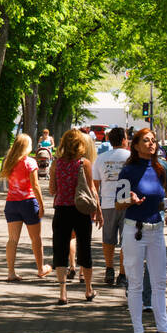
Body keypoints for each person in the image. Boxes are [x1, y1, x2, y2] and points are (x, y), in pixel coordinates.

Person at [116, 127, 167, 333]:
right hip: (135, 231)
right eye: (146, 141)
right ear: (136, 145)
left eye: (153, 141)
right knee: (136, 285)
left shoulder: (161, 168)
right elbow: (118, 202)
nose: (151, 144)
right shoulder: (128, 171)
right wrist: (129, 199)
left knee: (160, 284)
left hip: (157, 232)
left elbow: (164, 199)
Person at [49, 128, 103, 304]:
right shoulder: (84, 163)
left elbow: (52, 190)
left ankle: (63, 293)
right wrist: (98, 211)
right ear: (80, 144)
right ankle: (88, 289)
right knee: (84, 248)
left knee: (61, 249)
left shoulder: (56, 164)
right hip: (81, 211)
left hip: (62, 210)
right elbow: (92, 189)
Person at [0, 135, 52, 281]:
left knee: (12, 239)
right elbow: (35, 186)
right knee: (36, 238)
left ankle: (11, 272)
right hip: (28, 203)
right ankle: (41, 269)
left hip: (11, 203)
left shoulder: (9, 162)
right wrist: (41, 205)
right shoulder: (30, 162)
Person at [92, 125, 131, 287]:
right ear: (124, 140)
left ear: (108, 140)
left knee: (108, 238)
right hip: (127, 203)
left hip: (107, 203)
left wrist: (96, 206)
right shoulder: (131, 157)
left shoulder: (101, 158)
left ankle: (109, 268)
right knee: (126, 240)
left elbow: (95, 186)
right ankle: (122, 273)